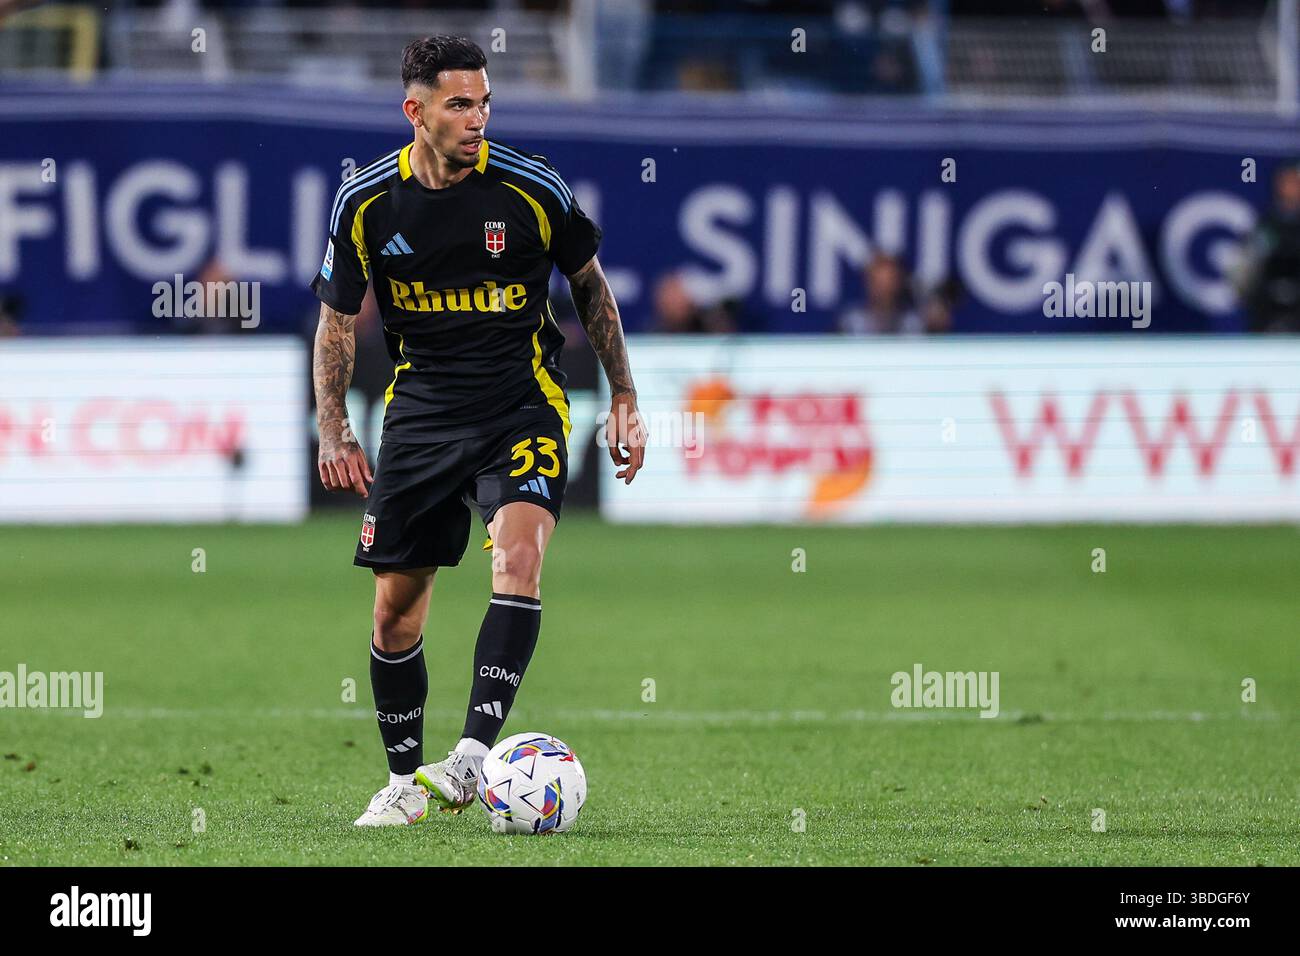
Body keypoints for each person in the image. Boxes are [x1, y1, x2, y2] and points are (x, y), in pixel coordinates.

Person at [310, 35, 646, 827]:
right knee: (396, 611)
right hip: (422, 412)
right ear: (415, 111)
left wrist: (625, 393)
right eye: (460, 104)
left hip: (520, 404)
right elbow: (335, 322)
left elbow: (591, 288)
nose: (478, 119)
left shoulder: (531, 187)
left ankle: (470, 757)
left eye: (485, 101)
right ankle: (402, 783)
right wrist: (334, 429)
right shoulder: (364, 202)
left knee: (520, 557)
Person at [1236, 160, 1300, 334]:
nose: (1293, 188)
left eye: (1297, 182)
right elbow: (1245, 270)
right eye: (1288, 181)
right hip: (1267, 306)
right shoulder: (1265, 224)